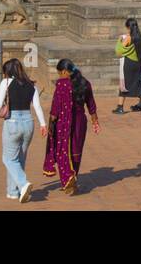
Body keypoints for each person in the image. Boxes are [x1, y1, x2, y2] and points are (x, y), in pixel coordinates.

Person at [0, 58, 47, 203]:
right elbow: (37, 107)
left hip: (13, 123)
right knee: (19, 159)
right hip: (29, 122)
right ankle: (13, 191)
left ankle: (23, 184)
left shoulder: (6, 83)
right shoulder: (32, 85)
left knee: (8, 158)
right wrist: (43, 124)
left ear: (8, 71)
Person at [42, 58, 99, 194]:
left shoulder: (62, 85)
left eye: (60, 73)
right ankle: (73, 178)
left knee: (62, 151)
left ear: (65, 72)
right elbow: (91, 104)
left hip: (63, 123)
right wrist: (94, 121)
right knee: (75, 152)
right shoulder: (85, 83)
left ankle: (68, 179)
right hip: (80, 122)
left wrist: (51, 123)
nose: (60, 76)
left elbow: (55, 108)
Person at [113, 18, 141, 115]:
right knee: (134, 84)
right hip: (137, 63)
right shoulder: (140, 37)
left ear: (128, 27)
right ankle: (121, 106)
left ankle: (121, 107)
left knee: (125, 85)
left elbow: (119, 51)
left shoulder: (129, 38)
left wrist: (120, 39)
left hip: (129, 64)